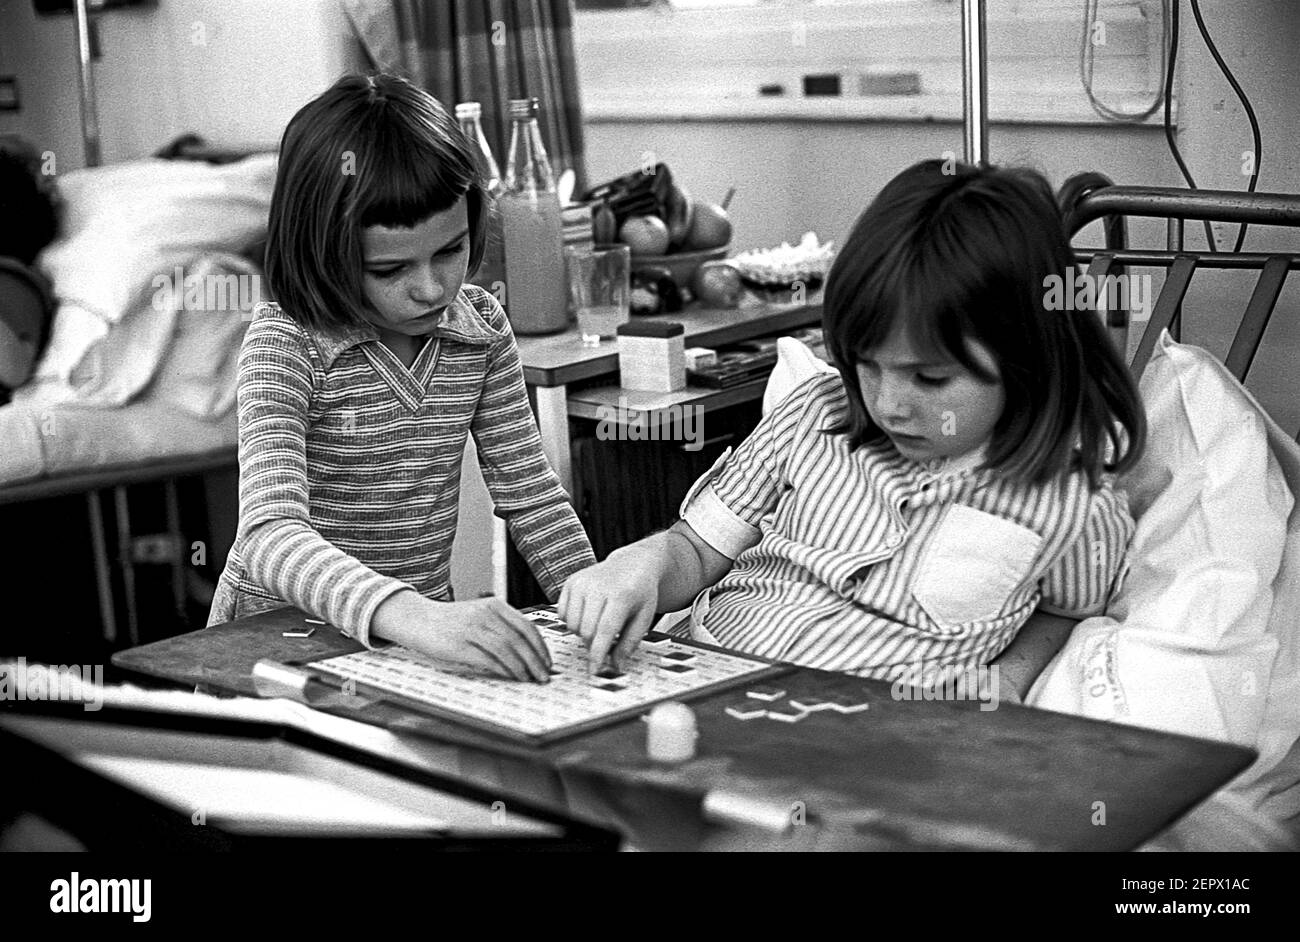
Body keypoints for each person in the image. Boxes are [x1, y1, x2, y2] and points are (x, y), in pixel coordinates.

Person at [560, 159, 1146, 700]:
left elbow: (1062, 612)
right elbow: (694, 551)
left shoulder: (1073, 502)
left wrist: (1008, 679)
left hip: (860, 734)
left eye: (930, 378)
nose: (889, 404)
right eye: (866, 364)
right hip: (697, 677)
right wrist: (638, 564)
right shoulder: (815, 415)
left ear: (1028, 358)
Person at [209, 73, 595, 681]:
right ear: (323, 251)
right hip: (276, 649)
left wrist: (592, 602)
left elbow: (532, 499)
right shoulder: (285, 343)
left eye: (451, 250)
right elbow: (268, 533)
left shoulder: (481, 330)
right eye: (390, 268)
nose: (433, 287)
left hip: (407, 648)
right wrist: (410, 612)